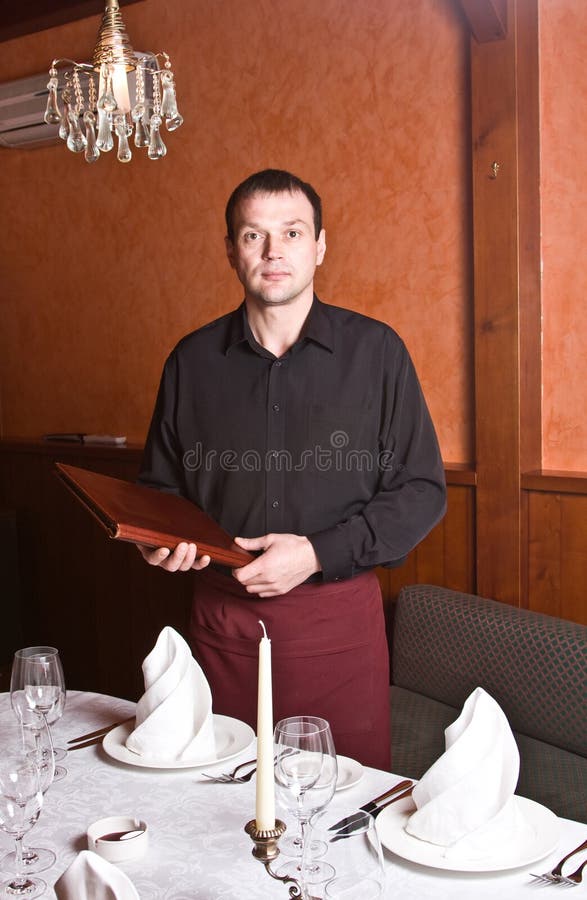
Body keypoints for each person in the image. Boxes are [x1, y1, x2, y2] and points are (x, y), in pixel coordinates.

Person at [136, 169, 446, 770]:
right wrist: (159, 543)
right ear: (231, 250)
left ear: (320, 245)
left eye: (292, 232)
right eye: (254, 236)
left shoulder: (378, 353)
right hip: (220, 624)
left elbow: (421, 490)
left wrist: (317, 552)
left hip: (338, 628)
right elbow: (160, 489)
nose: (274, 251)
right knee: (211, 810)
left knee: (339, 820)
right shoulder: (190, 360)